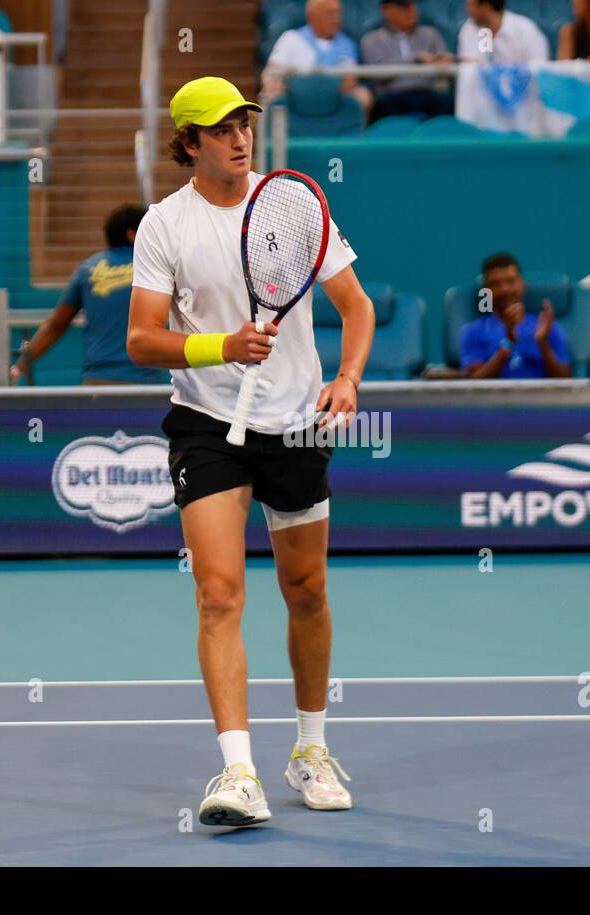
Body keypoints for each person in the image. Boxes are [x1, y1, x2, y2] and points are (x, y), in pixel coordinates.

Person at [127, 77, 375, 828]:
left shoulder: (293, 206)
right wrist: (221, 346)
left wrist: (349, 378)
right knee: (218, 592)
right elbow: (142, 340)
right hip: (205, 422)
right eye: (221, 128)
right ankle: (238, 771)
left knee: (305, 589)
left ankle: (310, 749)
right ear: (189, 143)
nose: (239, 136)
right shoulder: (163, 225)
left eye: (244, 122)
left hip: (296, 421)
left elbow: (356, 307)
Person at [11, 205, 168, 386]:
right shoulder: (157, 267)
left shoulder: (87, 269)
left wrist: (19, 367)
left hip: (97, 384)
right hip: (146, 386)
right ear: (132, 234)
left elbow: (55, 325)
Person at [459, 253, 572, 378]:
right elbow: (474, 384)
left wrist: (542, 343)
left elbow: (565, 380)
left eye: (510, 281)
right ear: (485, 289)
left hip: (541, 397)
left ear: (521, 282)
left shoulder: (547, 327)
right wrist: (508, 342)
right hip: (493, 397)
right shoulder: (473, 331)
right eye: (495, 284)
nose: (504, 289)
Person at [263, 0, 373, 115]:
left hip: (334, 97)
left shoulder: (347, 44)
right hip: (295, 96)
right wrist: (275, 86)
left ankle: (349, 131)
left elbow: (350, 81)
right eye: (330, 13)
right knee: (270, 96)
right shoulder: (291, 38)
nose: (337, 19)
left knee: (363, 96)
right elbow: (271, 73)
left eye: (339, 13)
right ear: (312, 16)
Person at [359, 0, 454, 123]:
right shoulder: (371, 39)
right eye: (404, 6)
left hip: (426, 93)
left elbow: (444, 64)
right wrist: (416, 59)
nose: (412, 10)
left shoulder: (430, 35)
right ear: (386, 10)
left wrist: (444, 60)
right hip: (392, 95)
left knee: (447, 103)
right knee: (386, 106)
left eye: (413, 5)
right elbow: (377, 75)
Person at [457, 0, 550, 63]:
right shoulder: (469, 28)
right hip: (480, 90)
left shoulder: (525, 29)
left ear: (486, 7)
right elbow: (469, 68)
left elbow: (538, 66)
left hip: (521, 88)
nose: (468, 10)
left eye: (471, 5)